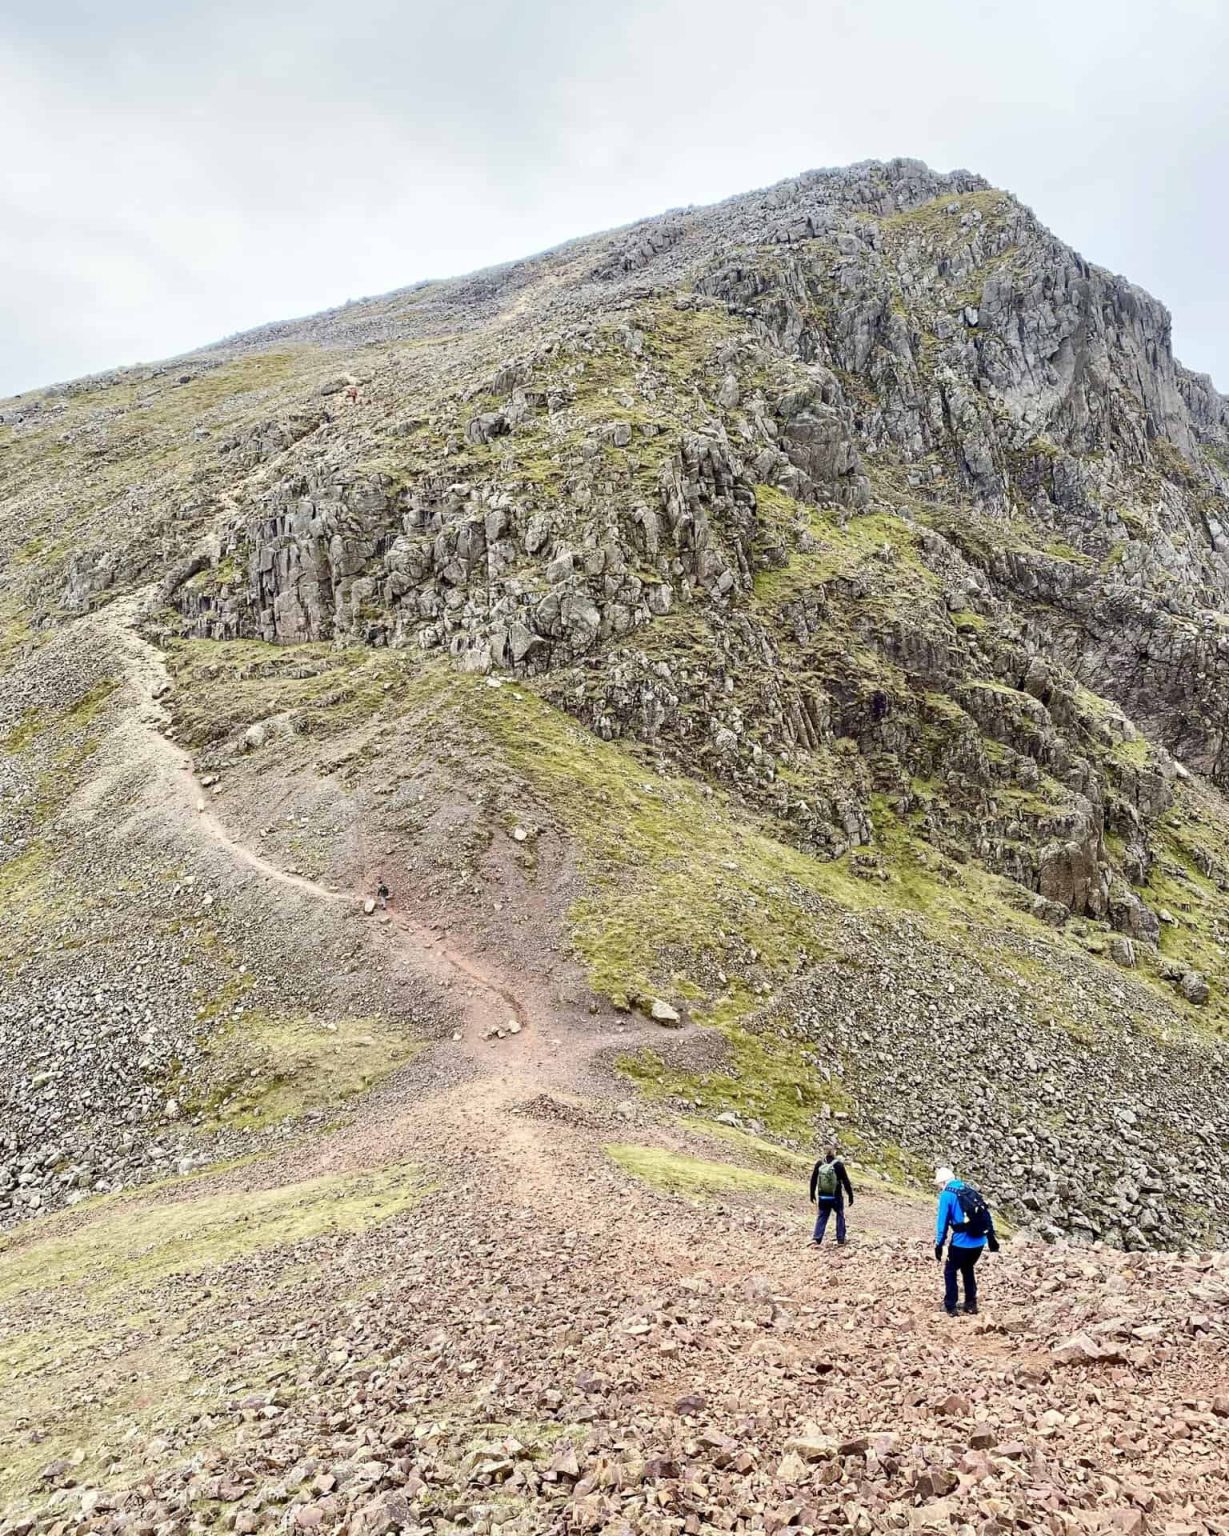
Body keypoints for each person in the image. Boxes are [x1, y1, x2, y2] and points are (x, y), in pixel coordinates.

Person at [934, 1165, 999, 1315]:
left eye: (938, 1185)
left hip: (961, 1243)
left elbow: (942, 1222)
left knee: (950, 1271)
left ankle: (950, 1305)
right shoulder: (968, 1188)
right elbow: (985, 1214)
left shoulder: (946, 1195)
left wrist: (939, 1244)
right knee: (968, 1268)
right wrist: (991, 1240)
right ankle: (971, 1304)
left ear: (943, 1183)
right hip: (979, 1242)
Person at [809, 1147, 854, 1246]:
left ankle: (816, 1238)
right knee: (840, 1215)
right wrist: (850, 1196)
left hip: (823, 1195)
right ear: (834, 1153)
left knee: (822, 1216)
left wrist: (812, 1194)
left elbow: (813, 1180)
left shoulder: (819, 1163)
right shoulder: (839, 1165)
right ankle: (841, 1239)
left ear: (824, 1152)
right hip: (836, 1196)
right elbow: (846, 1181)